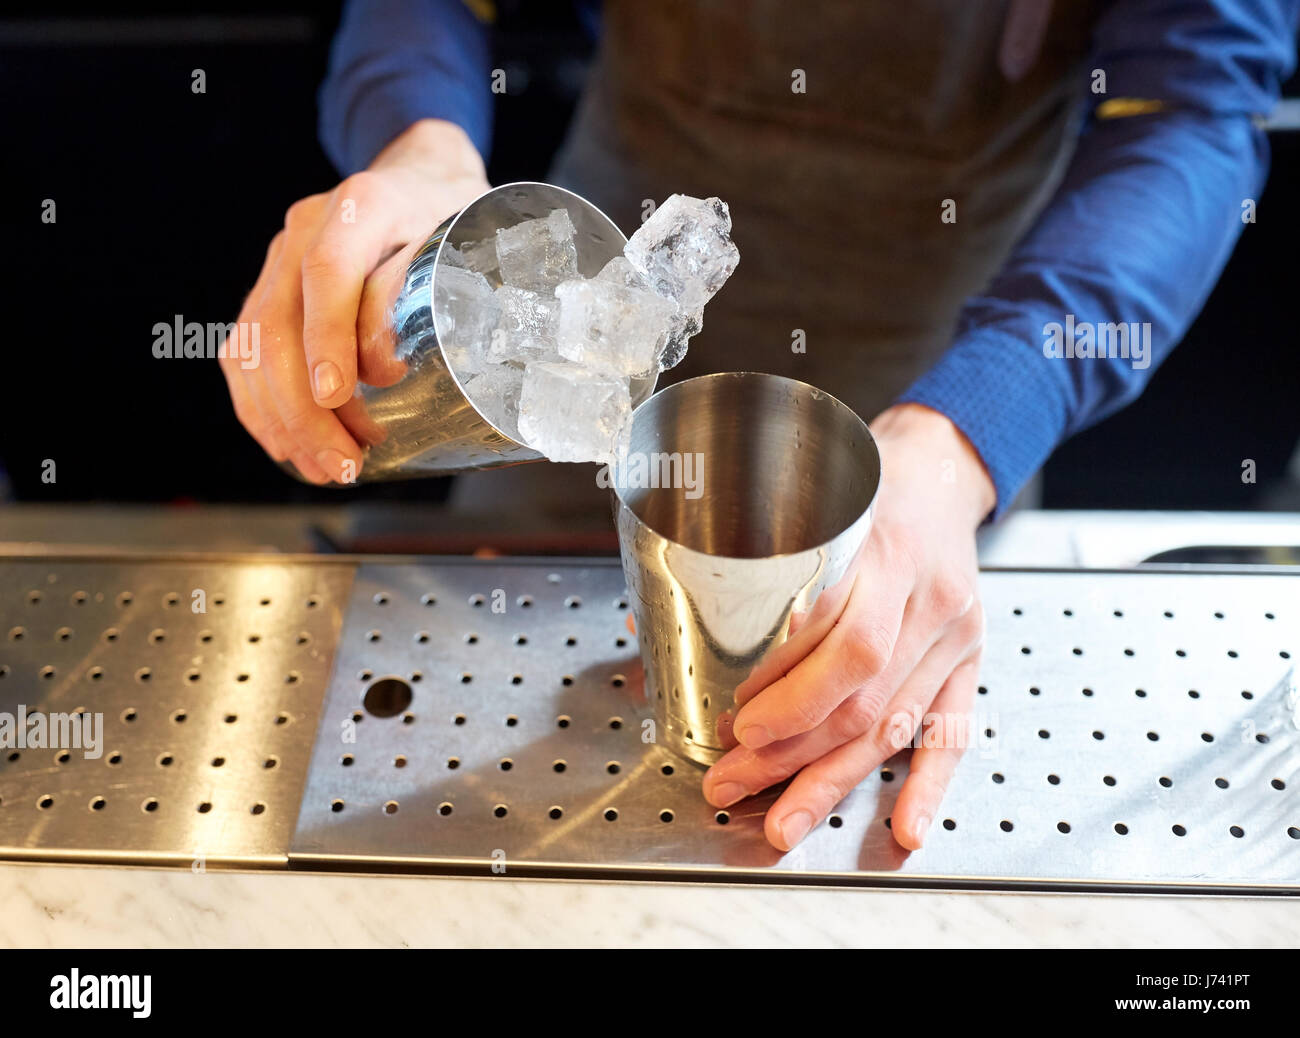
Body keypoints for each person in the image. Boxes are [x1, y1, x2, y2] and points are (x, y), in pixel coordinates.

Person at [219, 0, 1298, 853]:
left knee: (869, 737)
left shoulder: (957, 427)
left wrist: (973, 433)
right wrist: (420, 143)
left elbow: (1191, 113)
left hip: (948, 358)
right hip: (573, 354)